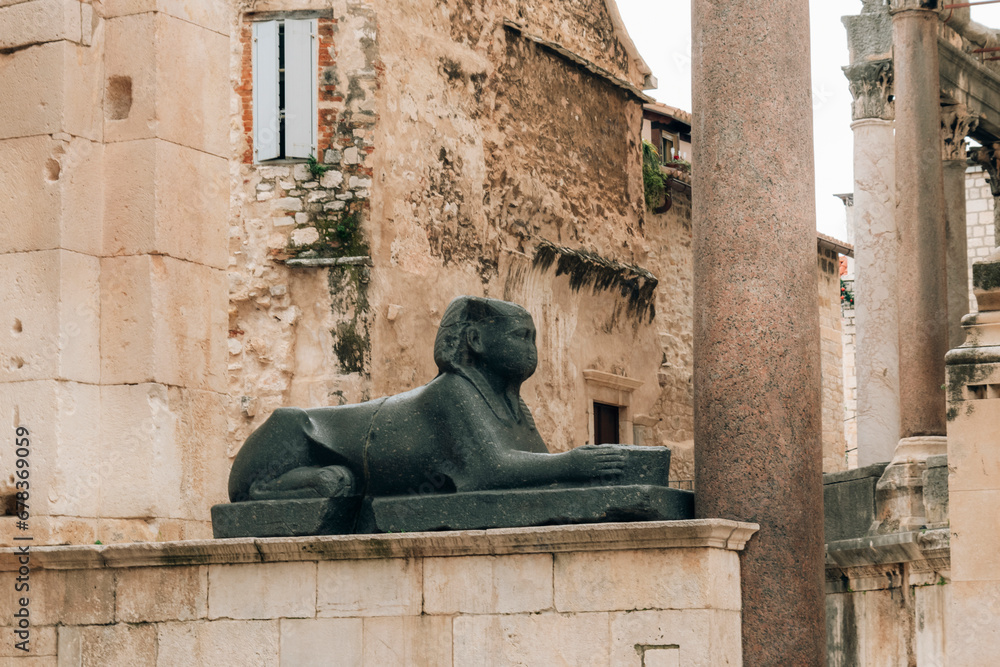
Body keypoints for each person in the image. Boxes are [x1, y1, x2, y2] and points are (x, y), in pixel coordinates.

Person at [227, 295, 626, 502]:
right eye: (520, 337)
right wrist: (574, 463)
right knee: (323, 461)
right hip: (305, 442)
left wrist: (597, 476)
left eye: (533, 338)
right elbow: (489, 471)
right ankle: (271, 488)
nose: (531, 348)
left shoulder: (512, 405)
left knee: (340, 482)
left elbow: (539, 471)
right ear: (476, 340)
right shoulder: (454, 392)